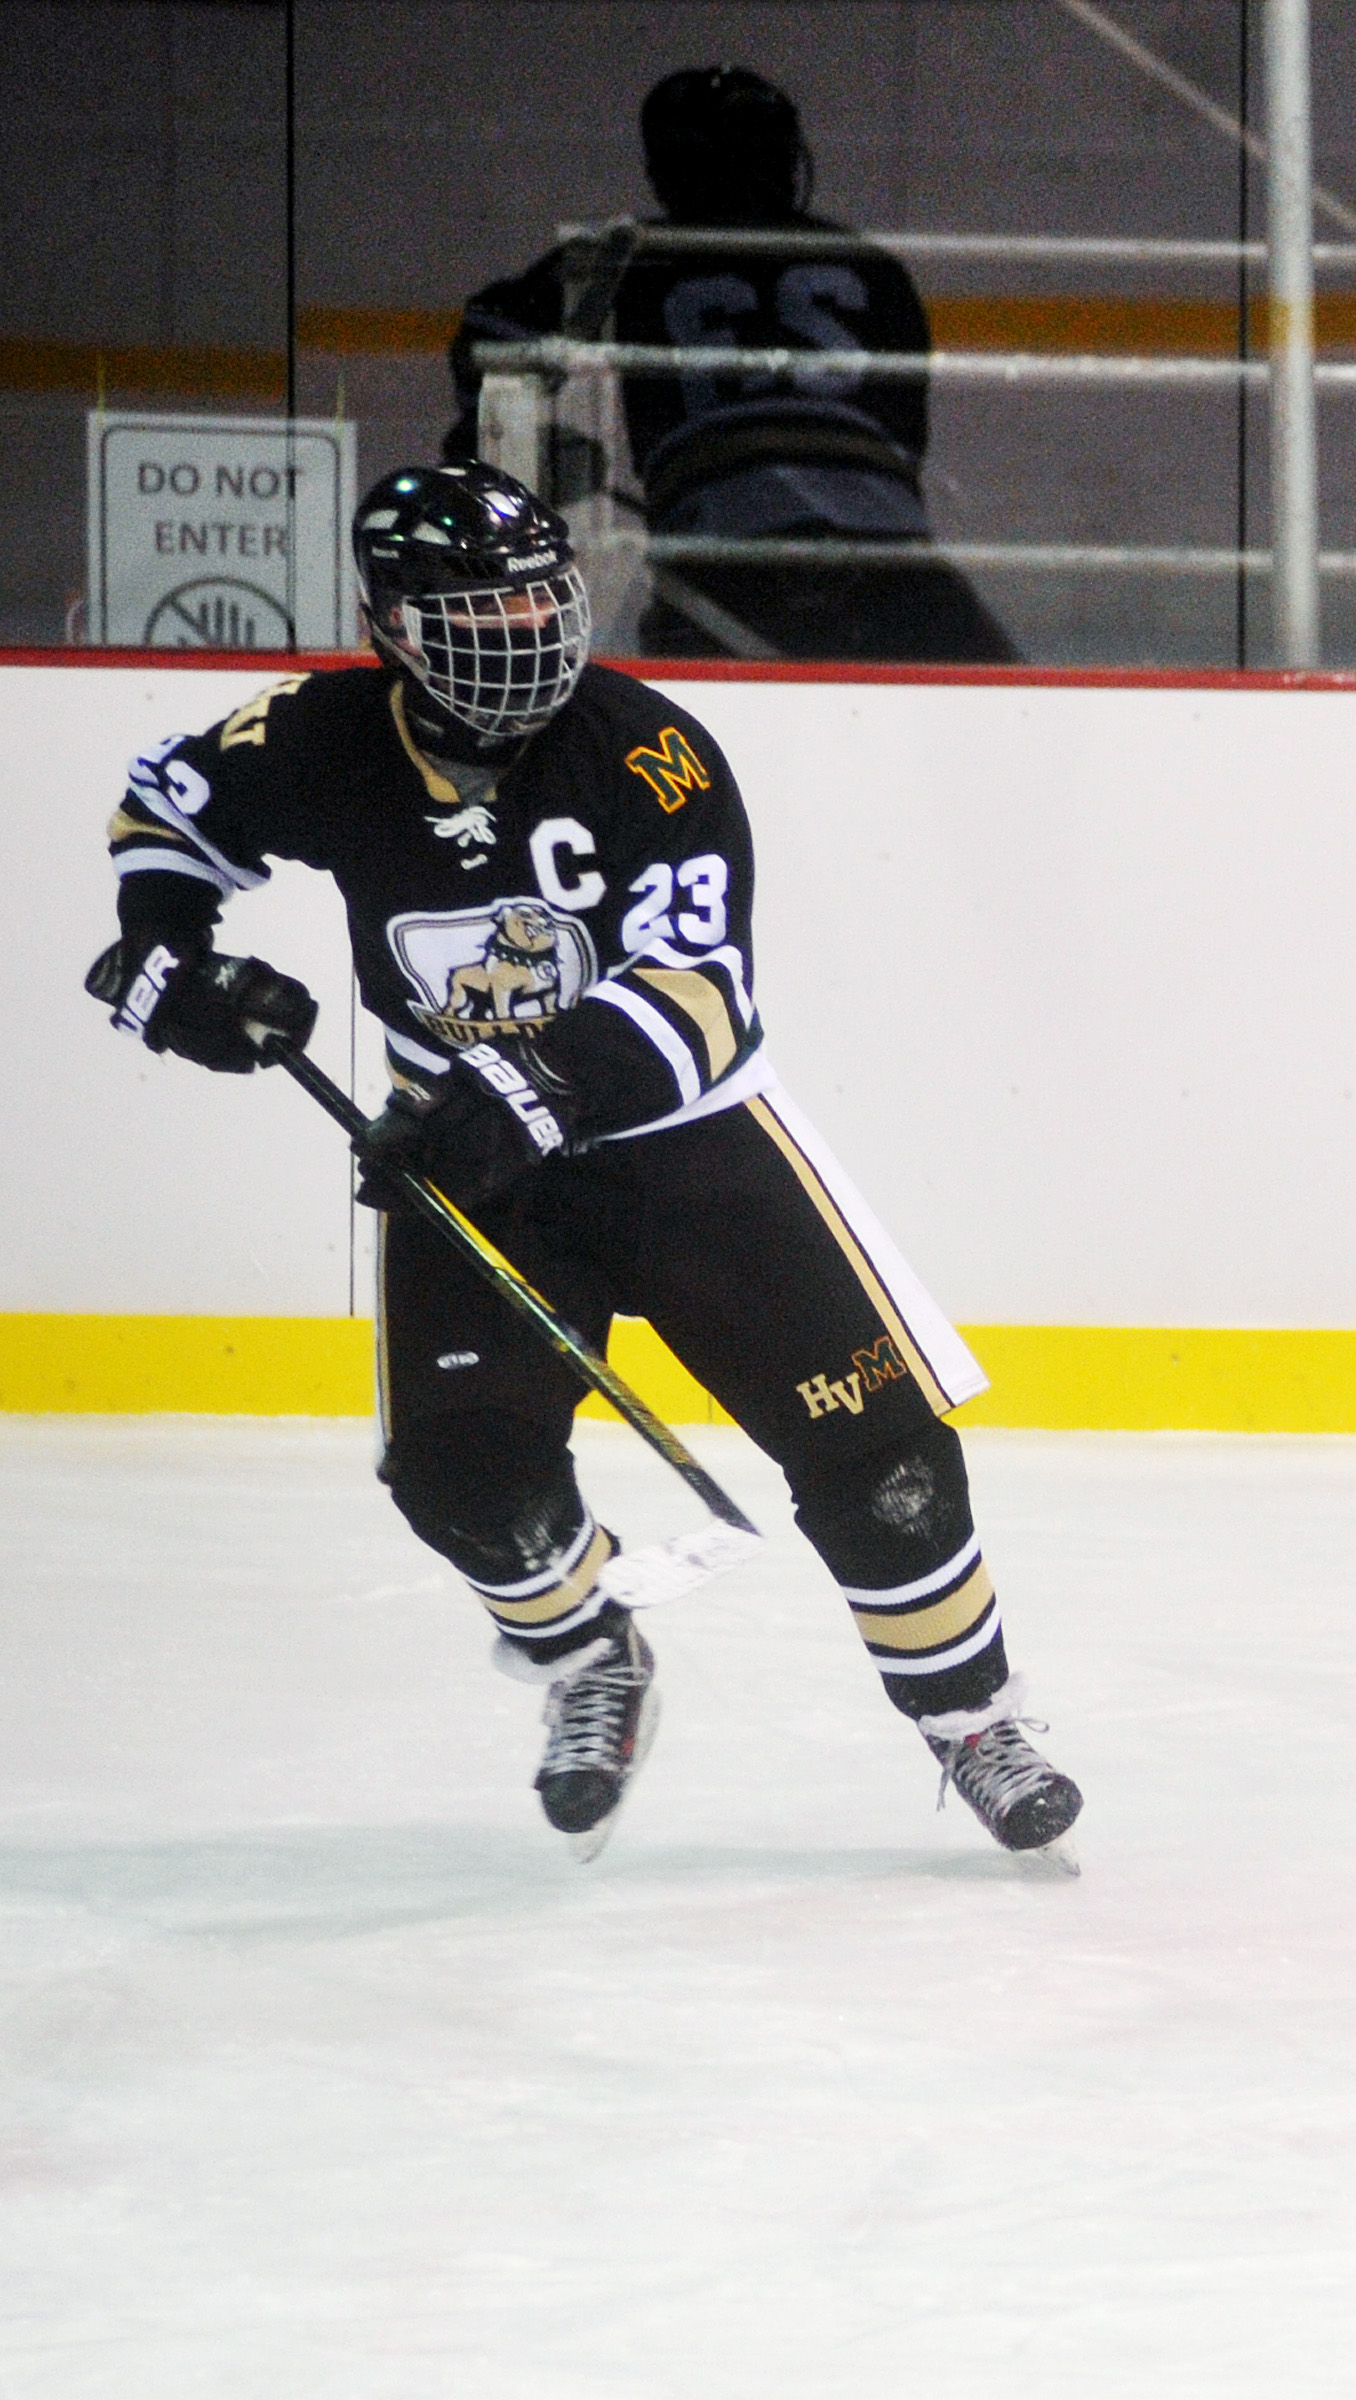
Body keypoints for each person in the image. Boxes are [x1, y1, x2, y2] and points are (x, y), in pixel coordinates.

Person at [83, 461, 1076, 1864]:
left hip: (685, 1146)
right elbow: (170, 814)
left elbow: (702, 988)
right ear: (393, 628)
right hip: (468, 1160)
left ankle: (973, 1723)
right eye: (485, 615)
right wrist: (175, 961)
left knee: (885, 1465)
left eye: (542, 602)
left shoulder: (646, 749)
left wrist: (526, 1088)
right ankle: (592, 1656)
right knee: (463, 1480)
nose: (531, 634)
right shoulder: (316, 736)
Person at [447, 64, 1020, 665]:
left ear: (668, 170)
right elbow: (905, 437)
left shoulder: (632, 256)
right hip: (886, 547)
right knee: (994, 690)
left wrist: (537, 449)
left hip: (720, 546)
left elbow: (490, 341)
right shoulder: (869, 264)